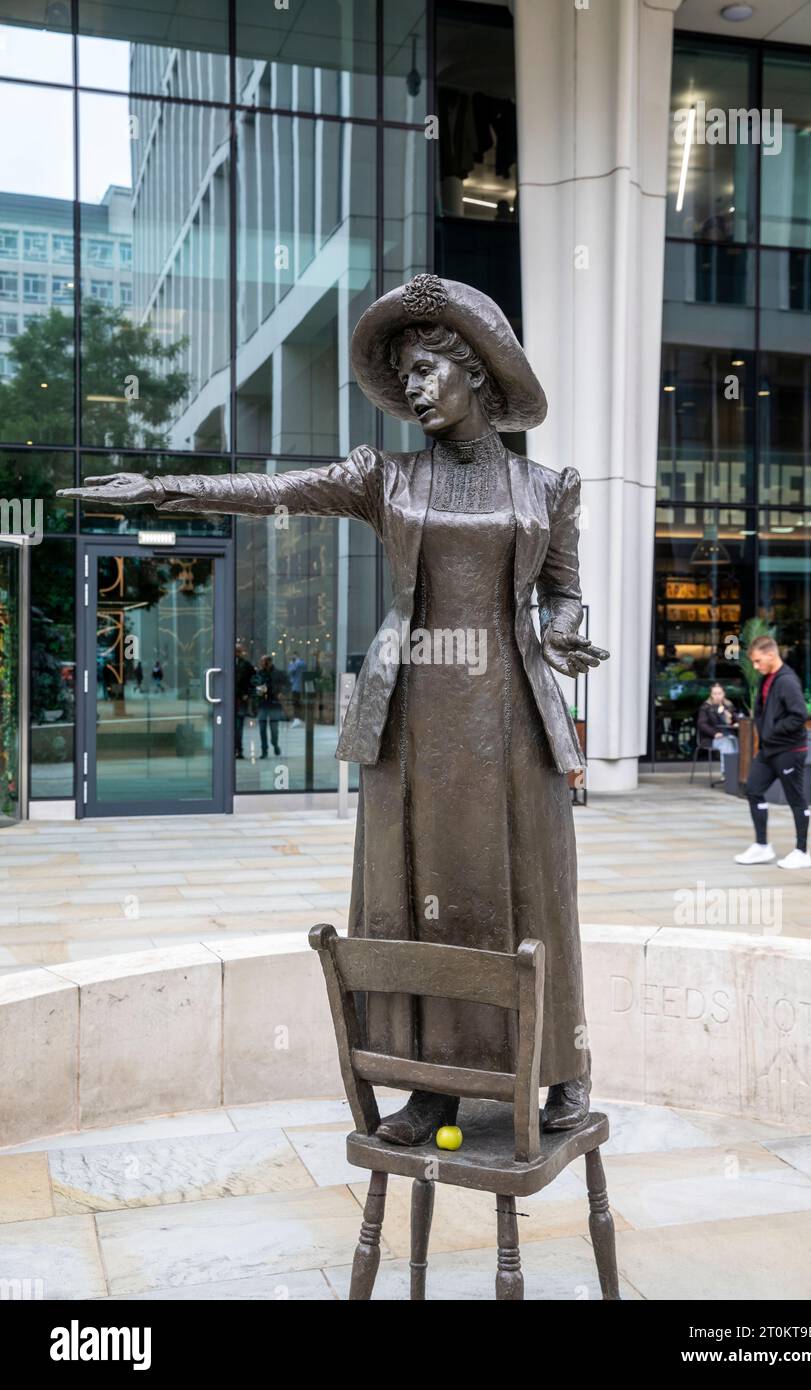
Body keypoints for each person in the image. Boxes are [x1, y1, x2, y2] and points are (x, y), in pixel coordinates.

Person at [58, 272, 610, 1145]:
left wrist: (563, 634)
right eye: (409, 376)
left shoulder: (549, 488)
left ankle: (562, 1074)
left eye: (430, 370)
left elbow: (565, 594)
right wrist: (162, 489)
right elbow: (277, 491)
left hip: (512, 717)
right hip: (414, 720)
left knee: (538, 892)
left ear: (477, 373)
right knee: (414, 894)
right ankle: (426, 1083)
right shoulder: (382, 477)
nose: (416, 390)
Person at [735, 635, 811, 870]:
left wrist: (772, 732)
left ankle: (802, 851)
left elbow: (799, 715)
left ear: (771, 655)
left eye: (758, 661)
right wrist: (766, 734)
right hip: (769, 749)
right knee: (753, 789)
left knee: (795, 799)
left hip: (789, 750)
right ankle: (762, 846)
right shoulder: (768, 679)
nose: (756, 667)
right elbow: (762, 711)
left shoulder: (787, 681)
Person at [696, 681, 739, 778]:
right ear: (711, 695)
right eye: (714, 694)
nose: (717, 696)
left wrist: (734, 720)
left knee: (737, 742)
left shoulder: (728, 705)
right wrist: (714, 733)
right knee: (727, 743)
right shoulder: (706, 707)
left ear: (724, 694)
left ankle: (737, 772)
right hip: (711, 738)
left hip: (729, 735)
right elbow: (701, 724)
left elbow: (736, 719)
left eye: (719, 693)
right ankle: (727, 773)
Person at [255, 655, 284, 758]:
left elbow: (284, 685)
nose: (263, 664)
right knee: (262, 729)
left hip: (274, 703)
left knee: (274, 729)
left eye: (264, 662)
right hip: (262, 704)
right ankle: (264, 750)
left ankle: (275, 744)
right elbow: (256, 687)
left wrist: (281, 693)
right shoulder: (259, 674)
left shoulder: (277, 673)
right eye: (262, 662)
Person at [234, 641, 255, 759]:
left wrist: (247, 694)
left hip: (240, 699)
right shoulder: (229, 664)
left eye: (238, 651)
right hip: (236, 699)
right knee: (236, 726)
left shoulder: (246, 666)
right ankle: (236, 748)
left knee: (238, 726)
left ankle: (238, 749)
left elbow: (253, 681)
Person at [287, 652, 304, 728]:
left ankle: (297, 719)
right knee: (297, 703)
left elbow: (291, 671)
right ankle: (298, 719)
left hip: (296, 687)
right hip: (298, 686)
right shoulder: (301, 664)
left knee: (296, 703)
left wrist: (291, 664)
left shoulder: (298, 664)